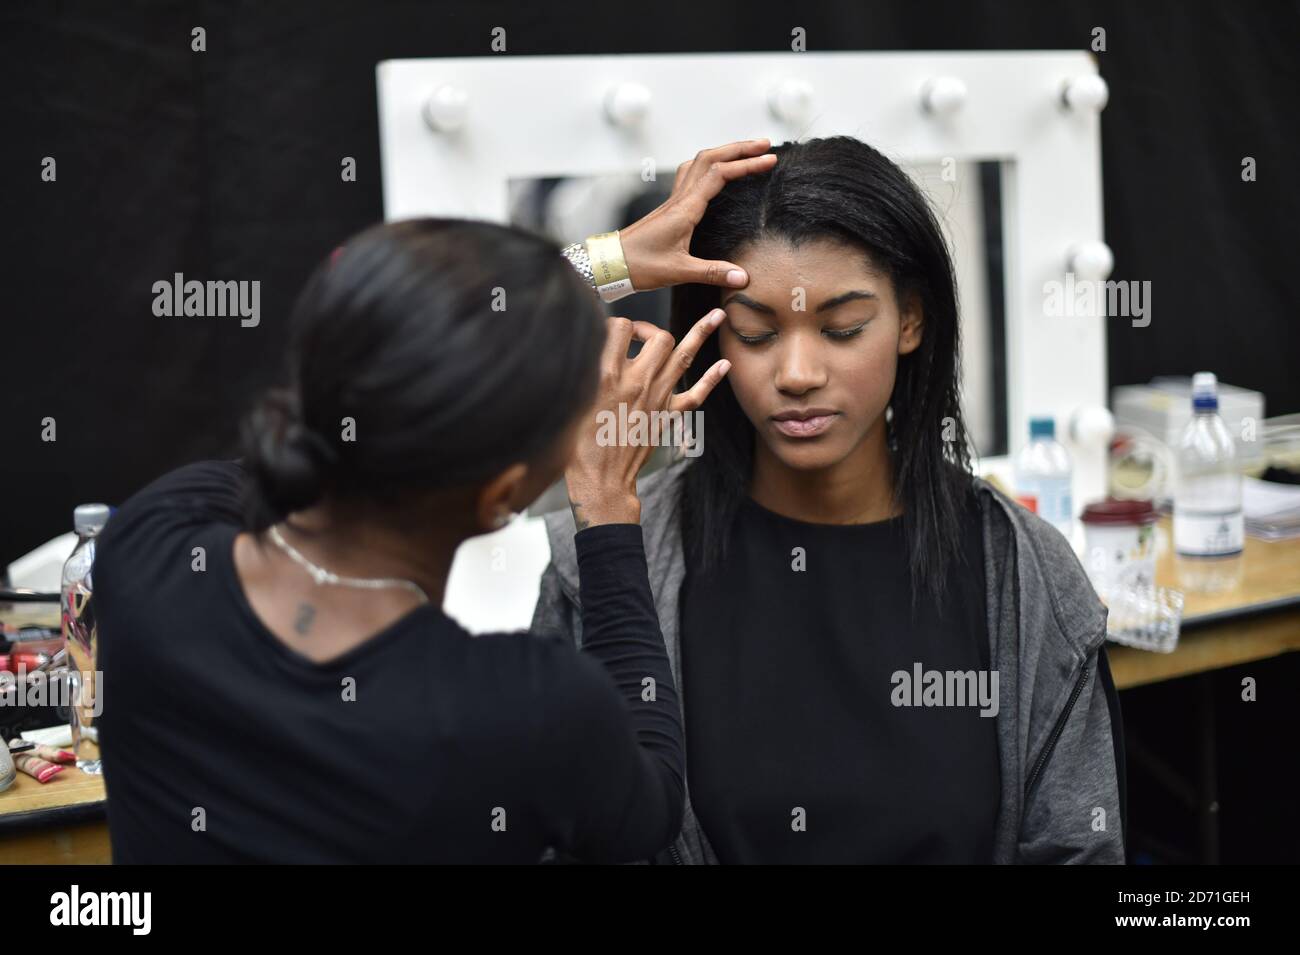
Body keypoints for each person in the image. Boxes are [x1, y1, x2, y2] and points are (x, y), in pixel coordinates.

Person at [93, 137, 774, 863]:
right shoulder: (525, 710)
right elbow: (648, 807)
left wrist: (595, 270)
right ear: (503, 497)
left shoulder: (149, 548)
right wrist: (607, 507)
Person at [535, 135, 1127, 864]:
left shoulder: (1026, 577)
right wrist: (609, 260)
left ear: (911, 320)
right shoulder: (610, 560)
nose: (798, 372)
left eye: (842, 328)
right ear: (714, 335)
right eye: (755, 332)